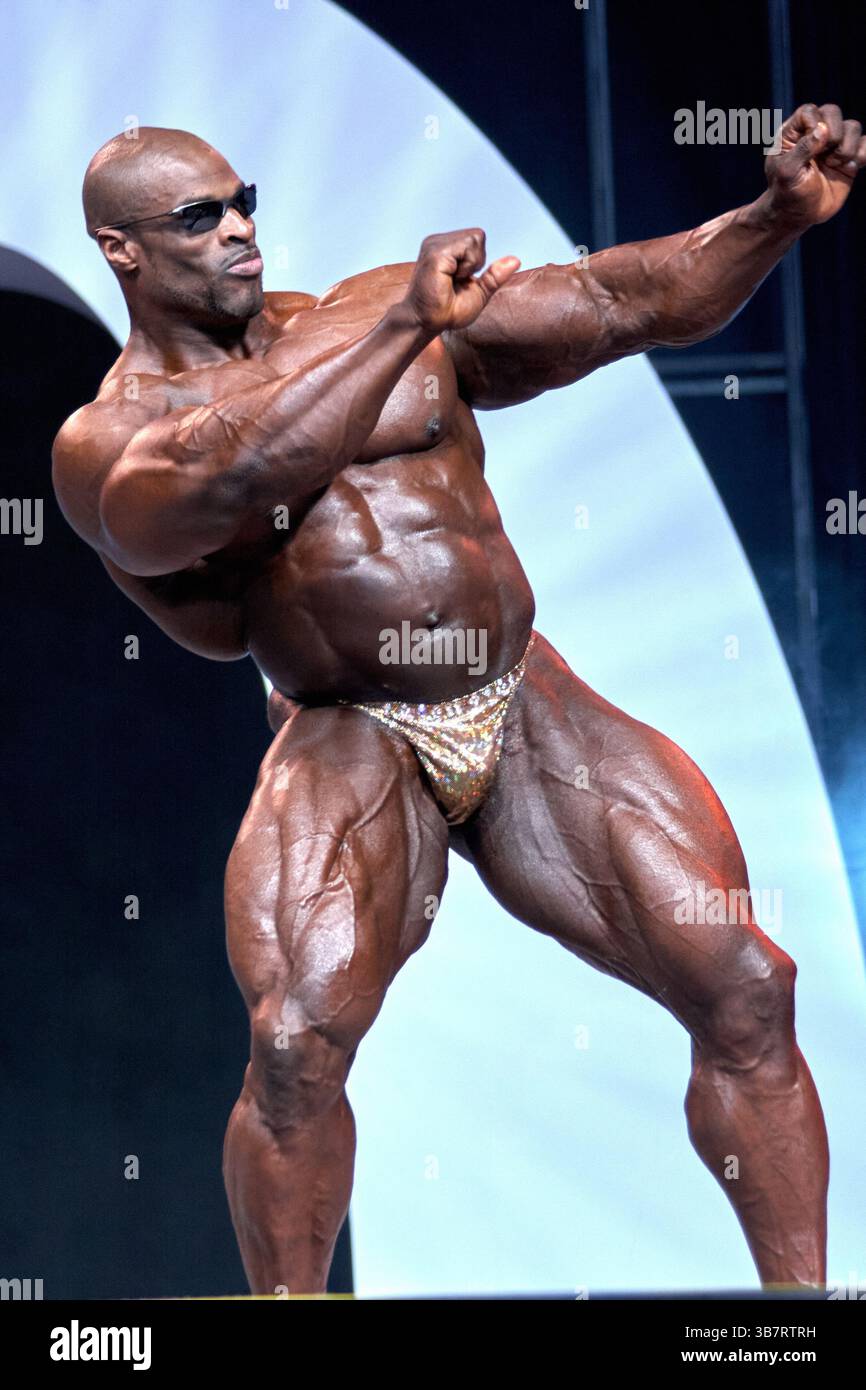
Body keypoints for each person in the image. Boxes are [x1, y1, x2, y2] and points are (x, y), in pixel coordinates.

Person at [53, 103, 865, 1294]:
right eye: (197, 216)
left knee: (746, 983)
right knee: (293, 1042)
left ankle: (798, 1318)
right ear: (120, 249)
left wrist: (771, 218)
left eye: (242, 203)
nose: (236, 230)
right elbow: (234, 476)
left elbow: (619, 301)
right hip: (353, 726)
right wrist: (401, 327)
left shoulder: (372, 308)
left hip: (518, 697)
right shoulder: (108, 439)